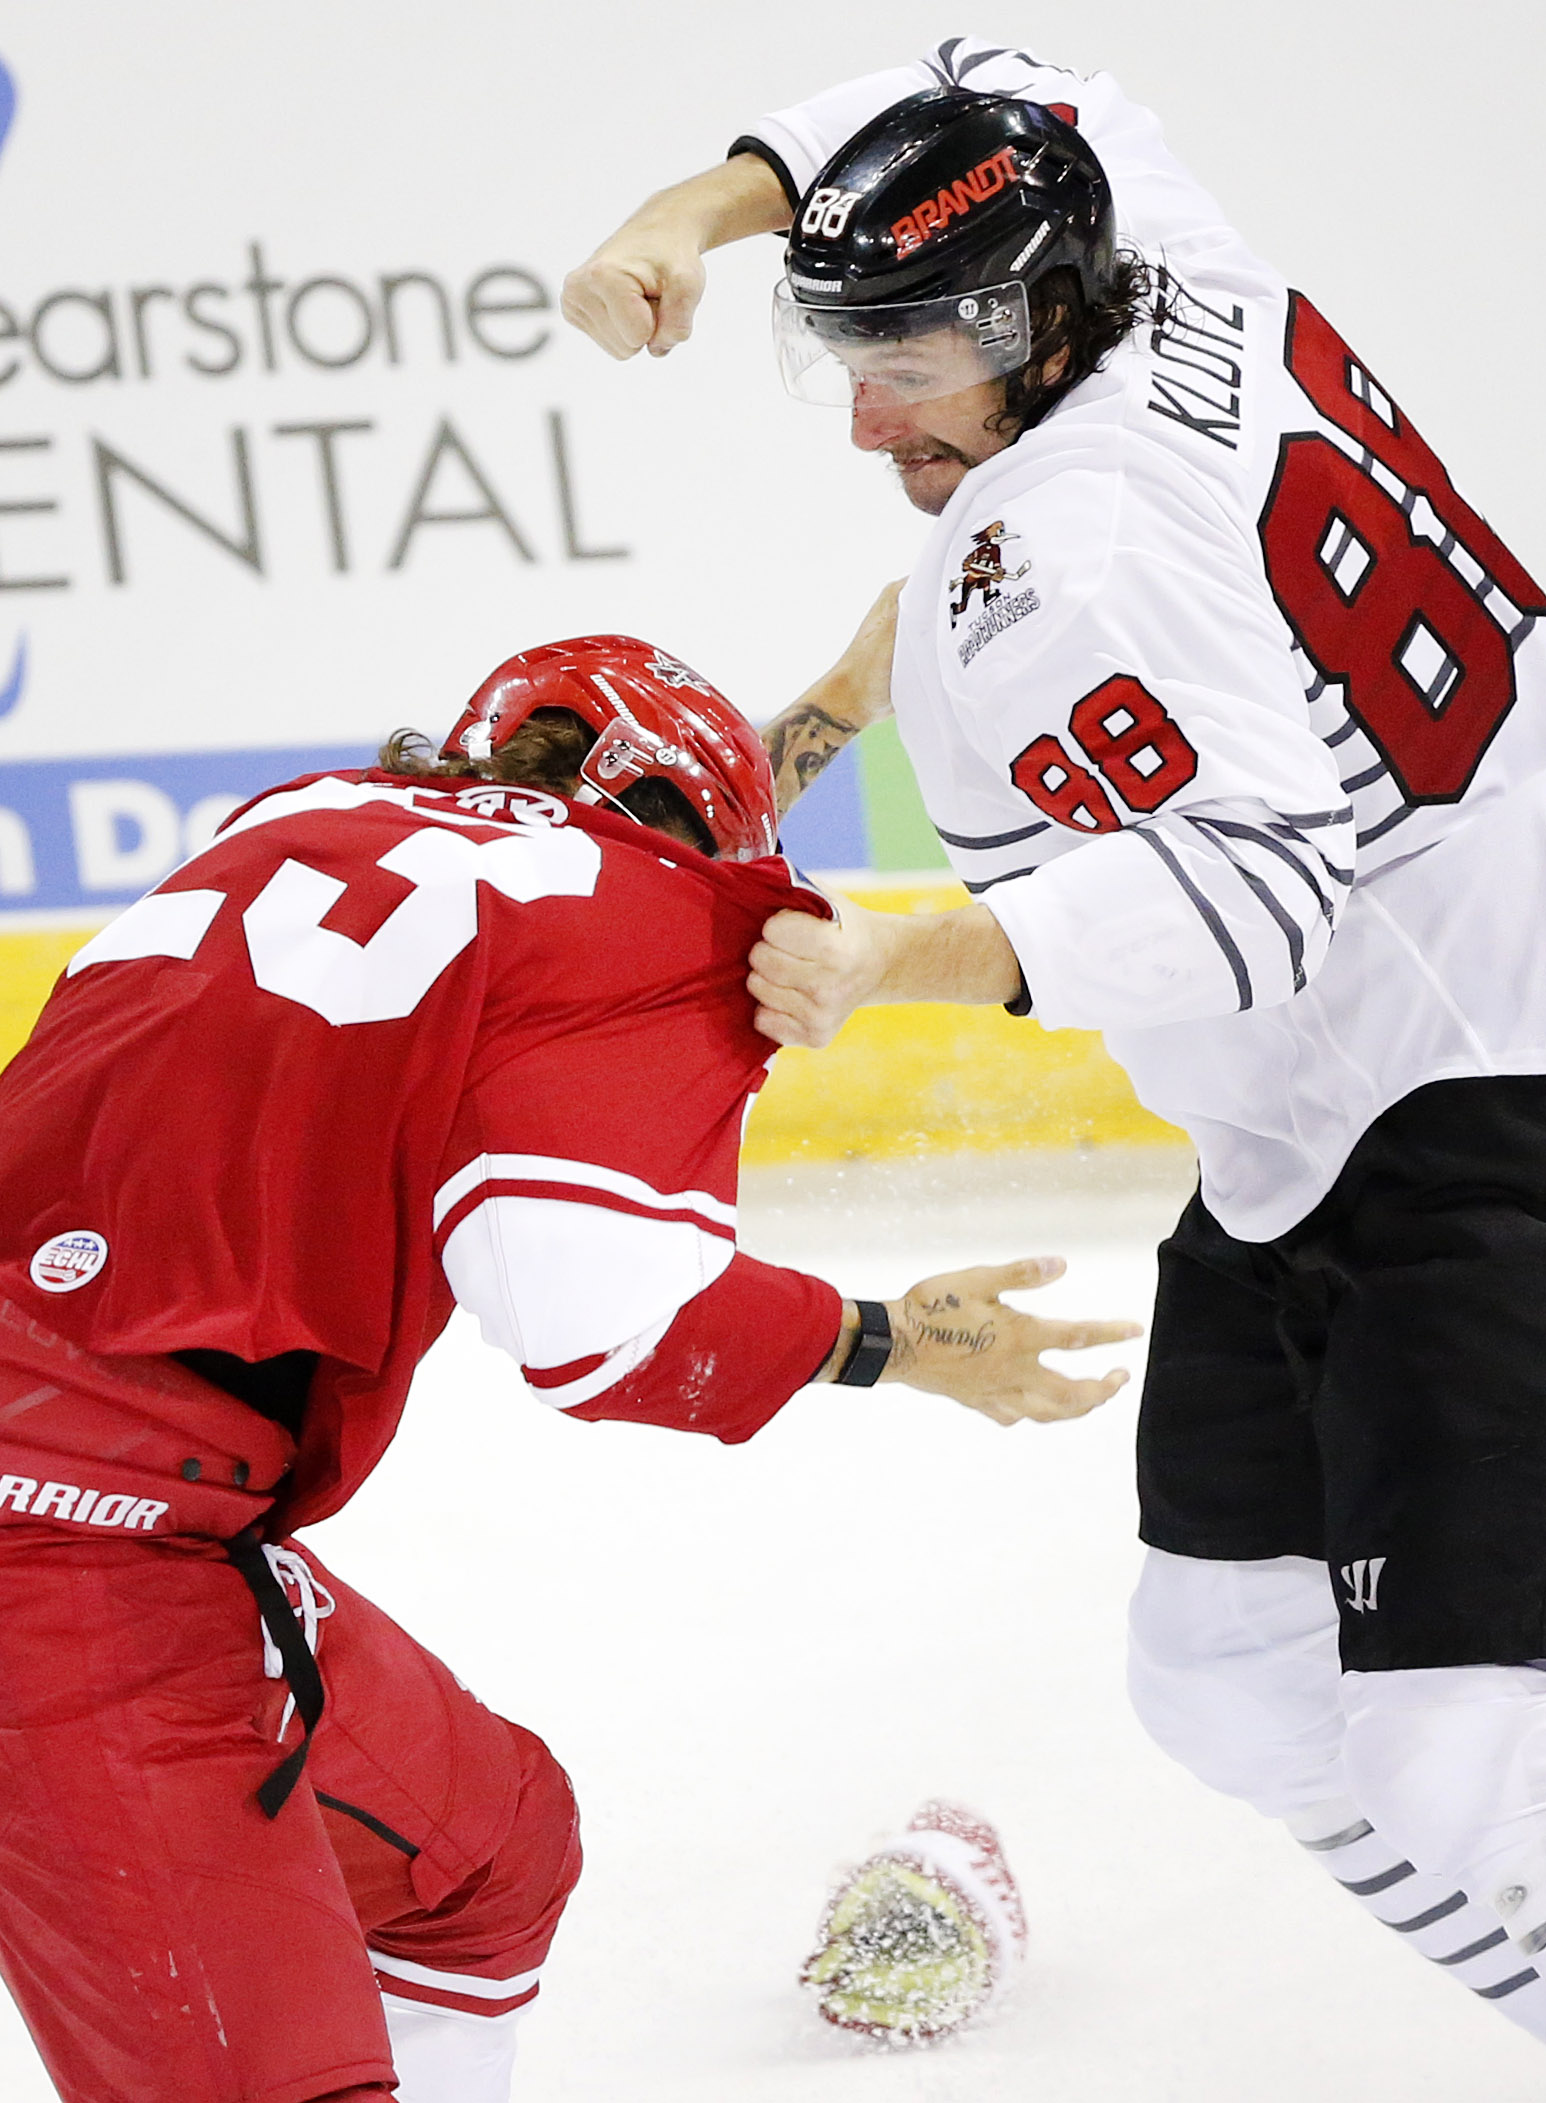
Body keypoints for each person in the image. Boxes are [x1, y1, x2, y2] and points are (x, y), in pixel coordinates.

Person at [562, 36, 1546, 2042]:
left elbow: (1255, 894)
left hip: (1475, 1079)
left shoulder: (1082, 555)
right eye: (839, 351)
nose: (859, 416)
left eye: (900, 368)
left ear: (1023, 330)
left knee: (1462, 1755)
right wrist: (699, 208)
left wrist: (905, 960)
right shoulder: (1149, 248)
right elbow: (996, 69)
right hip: (1340, 1102)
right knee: (1224, 1669)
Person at [0, 628, 1135, 2103]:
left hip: (119, 1518)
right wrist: (895, 1341)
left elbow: (606, 824)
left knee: (480, 1846)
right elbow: (602, 1323)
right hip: (72, 1566)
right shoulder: (638, 911)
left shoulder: (298, 813)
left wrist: (844, 702)